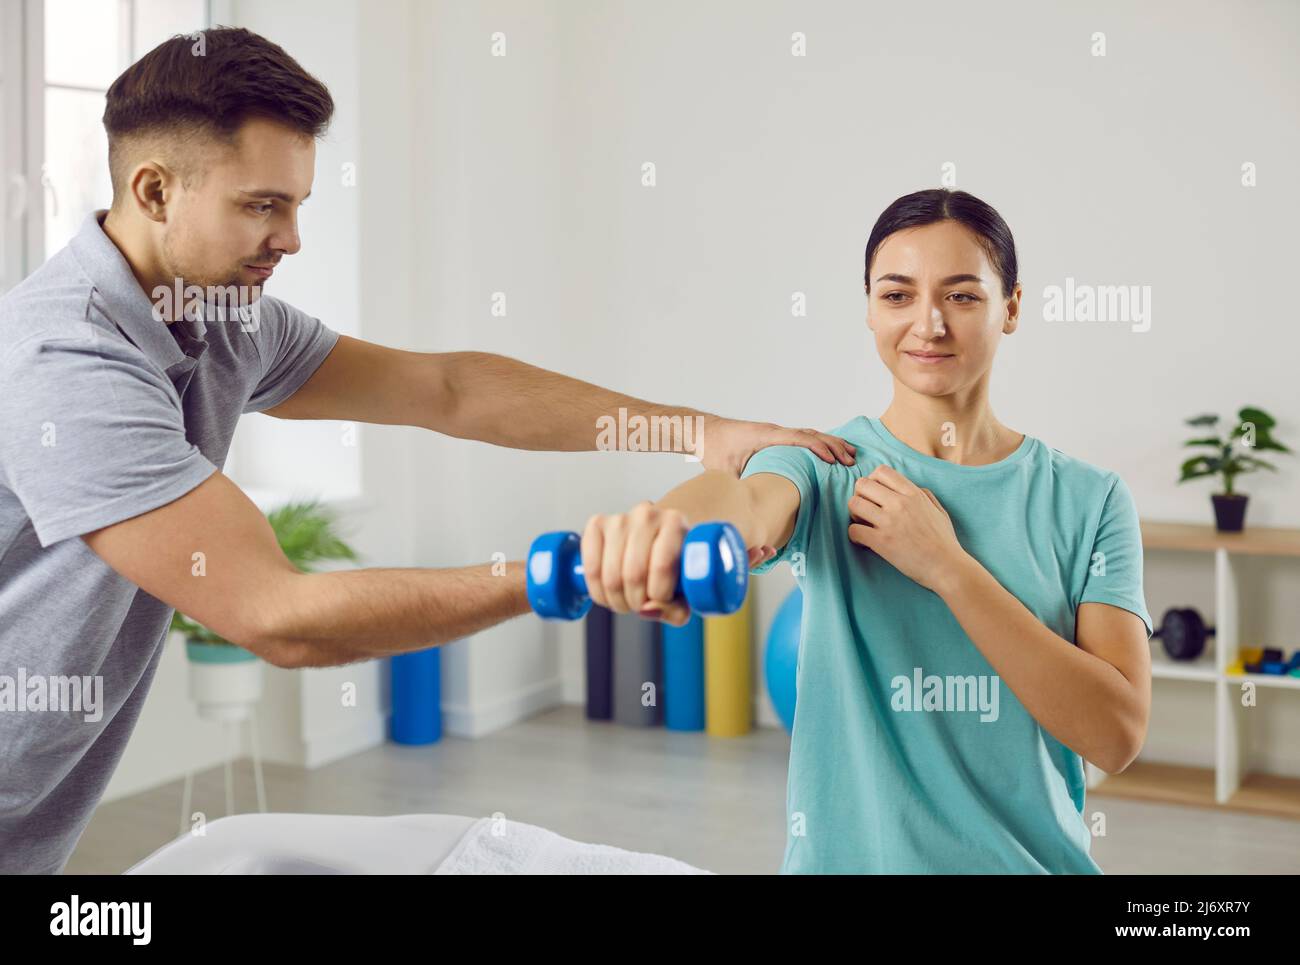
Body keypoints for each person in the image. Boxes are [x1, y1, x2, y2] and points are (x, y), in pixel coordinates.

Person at [0, 26, 854, 874]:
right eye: (262, 205)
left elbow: (449, 390)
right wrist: (566, 573)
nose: (291, 238)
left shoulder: (224, 317)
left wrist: (697, 431)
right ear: (153, 191)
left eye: (297, 204)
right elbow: (275, 614)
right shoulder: (68, 362)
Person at [579, 188, 1154, 874]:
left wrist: (949, 567)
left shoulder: (1089, 499)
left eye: (962, 296)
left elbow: (1115, 735)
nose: (928, 324)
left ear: (1013, 308)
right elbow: (743, 497)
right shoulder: (825, 465)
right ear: (869, 308)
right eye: (897, 295)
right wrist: (669, 525)